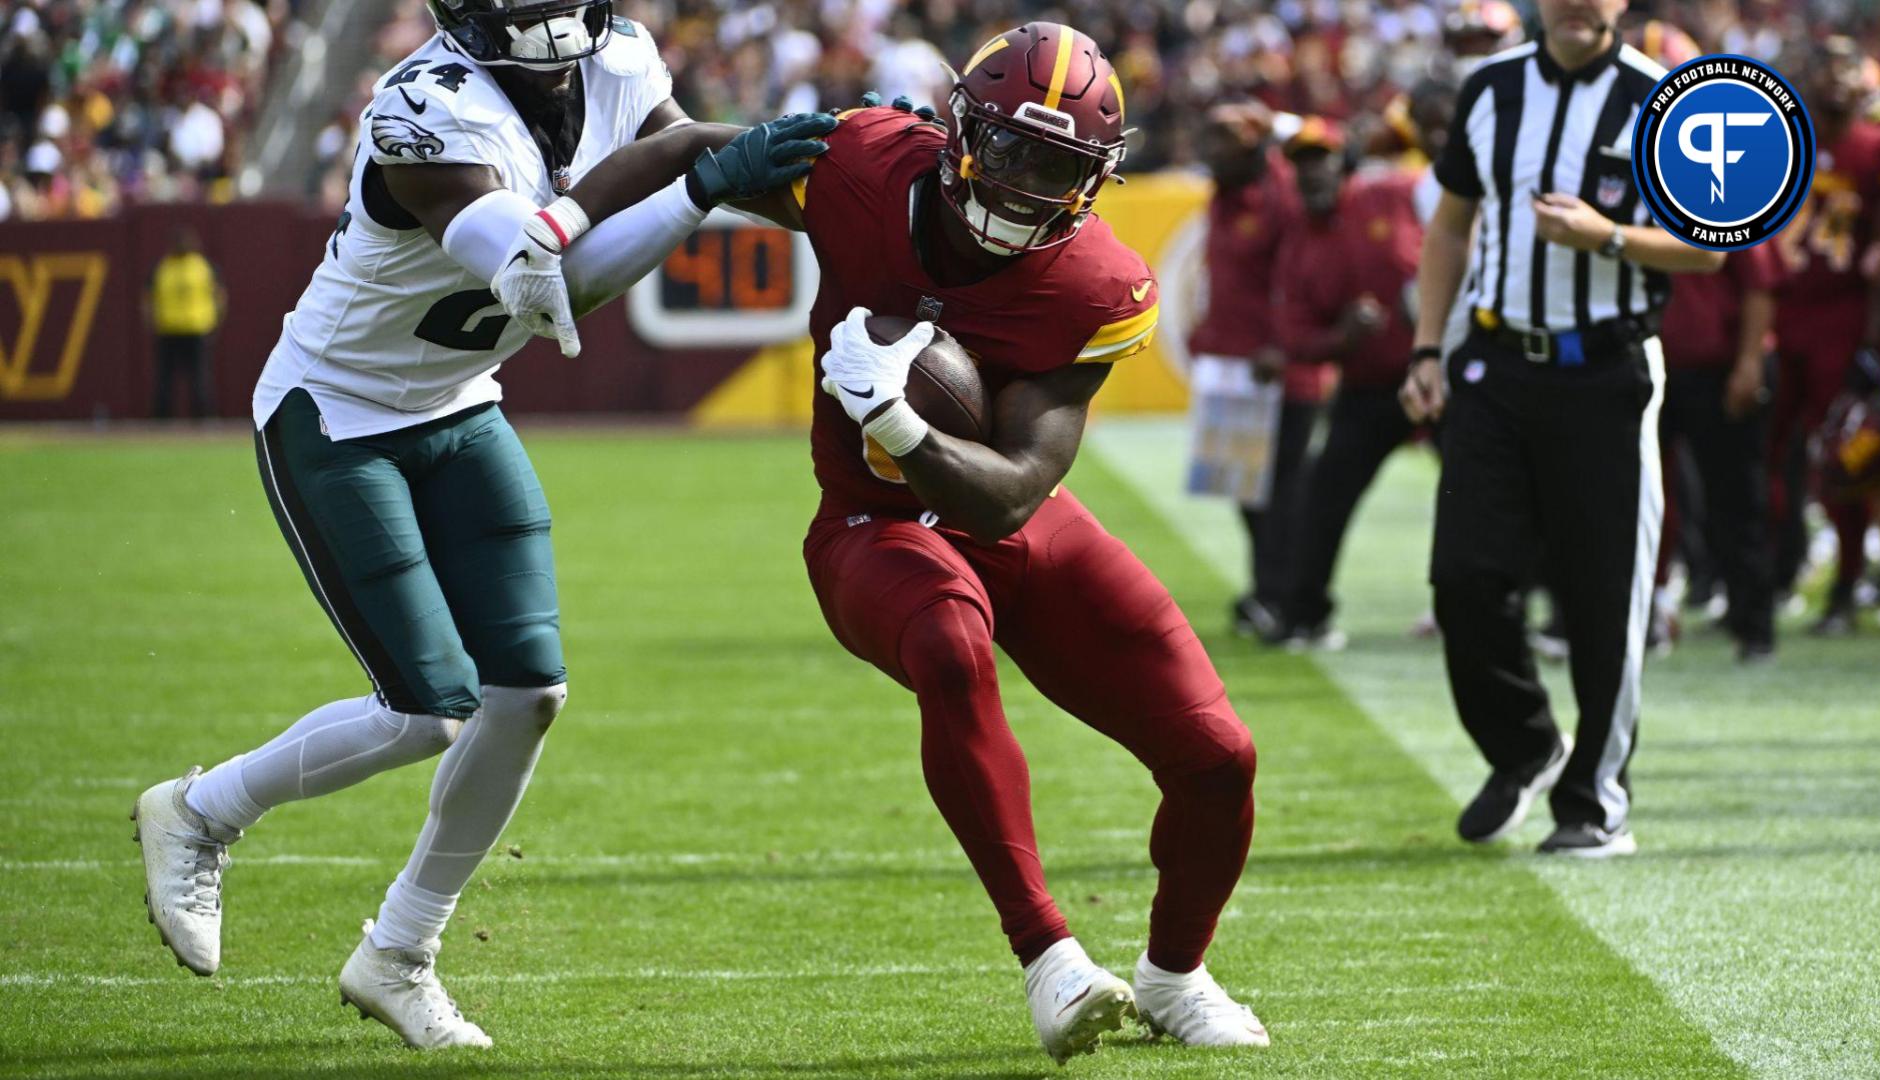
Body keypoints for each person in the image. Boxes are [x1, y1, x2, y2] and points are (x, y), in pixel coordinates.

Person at [504, 21, 1270, 1062]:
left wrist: (902, 425)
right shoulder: (864, 166)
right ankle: (1049, 958)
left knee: (1219, 756)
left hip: (1006, 516)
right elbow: (689, 149)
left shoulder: (1097, 282)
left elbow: (1011, 497)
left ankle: (1177, 978)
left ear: (1094, 179)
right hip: (871, 523)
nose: (1022, 183)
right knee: (952, 648)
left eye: (1056, 167)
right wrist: (557, 224)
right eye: (1007, 148)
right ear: (960, 132)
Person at [132, 0, 833, 1048]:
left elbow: (694, 157)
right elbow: (556, 280)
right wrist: (700, 183)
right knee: (426, 710)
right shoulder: (423, 111)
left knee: (529, 693)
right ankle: (198, 813)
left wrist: (867, 176)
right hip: (338, 411)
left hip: (458, 406)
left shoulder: (623, 58)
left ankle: (400, 952)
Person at [1400, 0, 1724, 859]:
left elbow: (1712, 246)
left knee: (1603, 595)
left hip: (1607, 369)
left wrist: (1608, 236)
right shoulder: (1491, 88)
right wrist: (1429, 346)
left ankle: (1595, 800)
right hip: (1496, 362)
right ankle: (1525, 745)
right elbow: (1451, 223)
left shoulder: (1667, 96)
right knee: (1463, 578)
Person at [1277, 107, 1434, 649]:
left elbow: (1460, 221)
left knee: (1487, 492)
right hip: (1367, 388)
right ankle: (1304, 615)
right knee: (1322, 498)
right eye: (1303, 167)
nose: (1313, 176)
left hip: (1437, 377)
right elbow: (1295, 335)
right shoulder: (1299, 242)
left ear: (1345, 165)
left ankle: (1498, 608)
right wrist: (1341, 338)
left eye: (1322, 163)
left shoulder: (1394, 193)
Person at [1769, 36, 1880, 635]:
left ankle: (1846, 584)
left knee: (1844, 454)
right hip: (1779, 310)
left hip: (1841, 318)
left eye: (1849, 70)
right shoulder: (1778, 141)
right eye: (1827, 70)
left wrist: (1876, 325)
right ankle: (1775, 571)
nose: (1838, 83)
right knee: (1769, 456)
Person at [1188, 100, 1312, 642]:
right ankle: (1266, 591)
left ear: (1254, 146)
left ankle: (1283, 596)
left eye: (1224, 141)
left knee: (1280, 491)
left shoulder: (1280, 198)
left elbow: (1303, 276)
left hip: (1275, 367)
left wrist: (1285, 345)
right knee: (1243, 490)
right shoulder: (1226, 192)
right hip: (1231, 359)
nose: (1210, 152)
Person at [1657, 242, 1783, 662]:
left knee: (1735, 497)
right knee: (1631, 498)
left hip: (1715, 365)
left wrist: (1749, 362)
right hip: (1643, 362)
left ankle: (1753, 625)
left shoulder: (1720, 195)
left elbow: (1759, 285)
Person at [147, 225, 224, 419]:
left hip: (176, 328)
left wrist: (152, 322)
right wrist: (215, 320)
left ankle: (168, 420)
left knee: (180, 379)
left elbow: (147, 300)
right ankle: (201, 420)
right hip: (190, 327)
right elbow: (220, 296)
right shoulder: (201, 266)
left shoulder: (165, 267)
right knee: (191, 378)